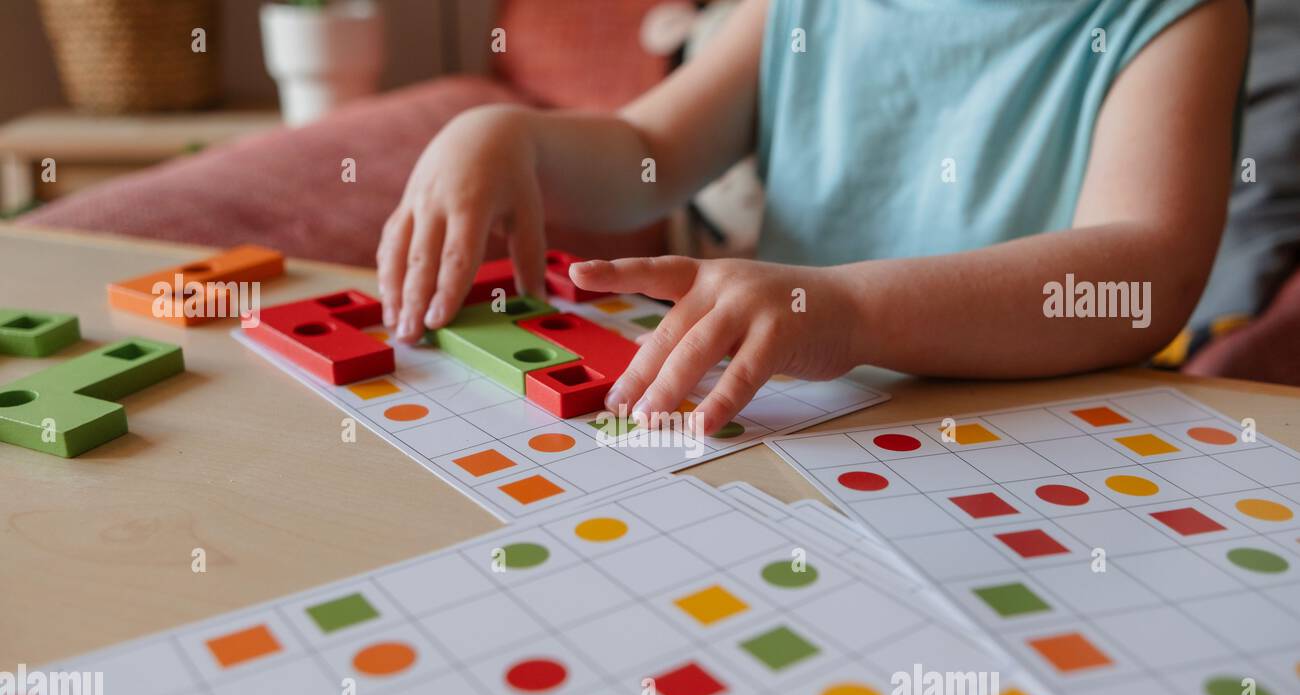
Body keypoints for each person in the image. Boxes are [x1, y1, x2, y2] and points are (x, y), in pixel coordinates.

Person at [378, 0, 1249, 436]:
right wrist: (510, 138)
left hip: (1040, 445)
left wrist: (854, 310)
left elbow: (1143, 274)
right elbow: (650, 152)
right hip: (797, 427)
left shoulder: (1176, 15)